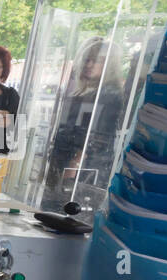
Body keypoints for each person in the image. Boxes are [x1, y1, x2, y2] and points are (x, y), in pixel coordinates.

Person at [40, 37, 126, 212]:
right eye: (87, 59)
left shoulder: (109, 95)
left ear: (109, 65)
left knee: (64, 212)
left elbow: (97, 135)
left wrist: (74, 165)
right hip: (65, 164)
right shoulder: (83, 92)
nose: (90, 65)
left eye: (98, 61)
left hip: (82, 171)